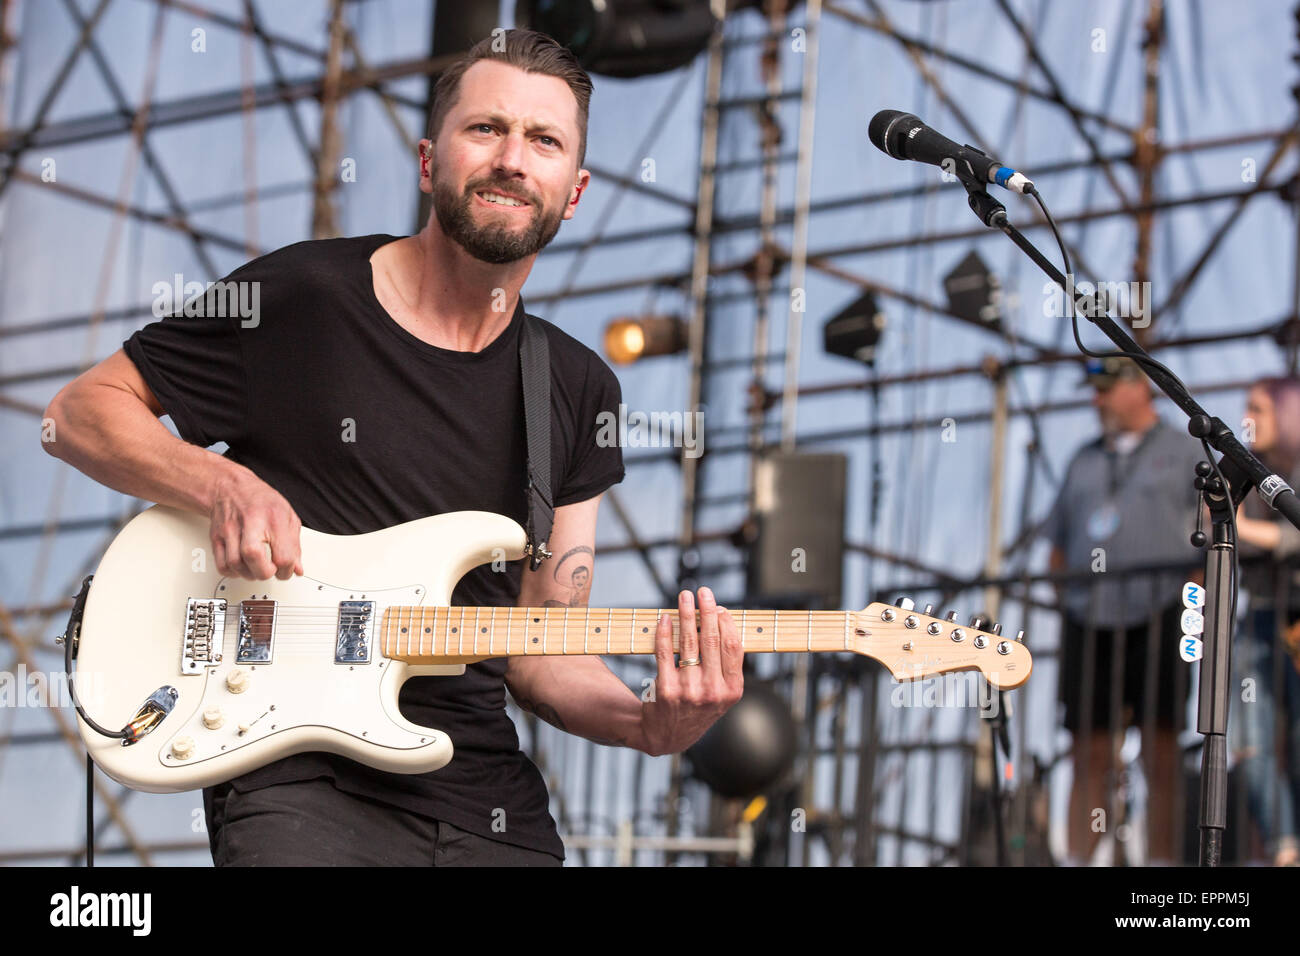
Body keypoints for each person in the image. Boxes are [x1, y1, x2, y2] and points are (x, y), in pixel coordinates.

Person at [40, 29, 744, 866]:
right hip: (298, 778)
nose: (512, 159)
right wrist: (220, 484)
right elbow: (80, 413)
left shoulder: (577, 387)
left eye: (544, 141)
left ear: (575, 191)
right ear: (427, 160)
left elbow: (545, 651)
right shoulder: (304, 298)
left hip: (483, 796)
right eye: (486, 128)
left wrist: (651, 724)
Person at [1042, 355, 1204, 865]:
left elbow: (1211, 541)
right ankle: (1079, 858)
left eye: (1107, 389)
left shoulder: (1185, 452)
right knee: (1088, 748)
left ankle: (1160, 862)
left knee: (1160, 747)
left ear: (1140, 389)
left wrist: (1192, 601)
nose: (1097, 401)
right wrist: (1068, 597)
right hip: (1089, 620)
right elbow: (1057, 546)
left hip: (1162, 615)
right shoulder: (1083, 460)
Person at [1230, 376, 1300, 865]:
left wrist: (1243, 529)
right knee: (1248, 741)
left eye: (1258, 408)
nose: (1247, 418)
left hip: (1294, 616)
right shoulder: (1241, 472)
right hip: (1257, 616)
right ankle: (1284, 847)